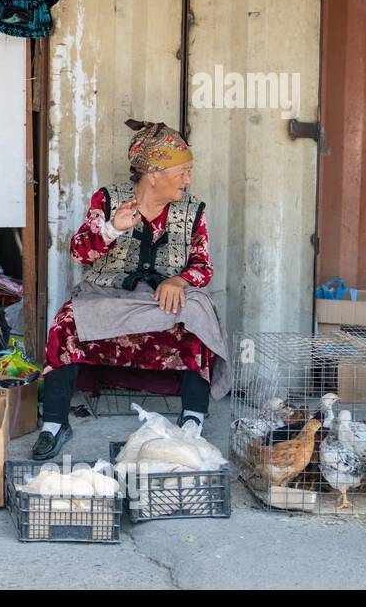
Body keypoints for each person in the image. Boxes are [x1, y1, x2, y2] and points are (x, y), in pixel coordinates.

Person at [32, 119, 225, 461]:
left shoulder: (194, 210)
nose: (188, 179)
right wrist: (111, 228)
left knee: (198, 316)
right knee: (67, 321)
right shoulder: (109, 200)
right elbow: (80, 252)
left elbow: (203, 266)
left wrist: (178, 281)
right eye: (182, 172)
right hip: (108, 296)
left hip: (163, 301)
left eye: (189, 172)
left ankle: (193, 419)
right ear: (153, 173)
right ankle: (53, 424)